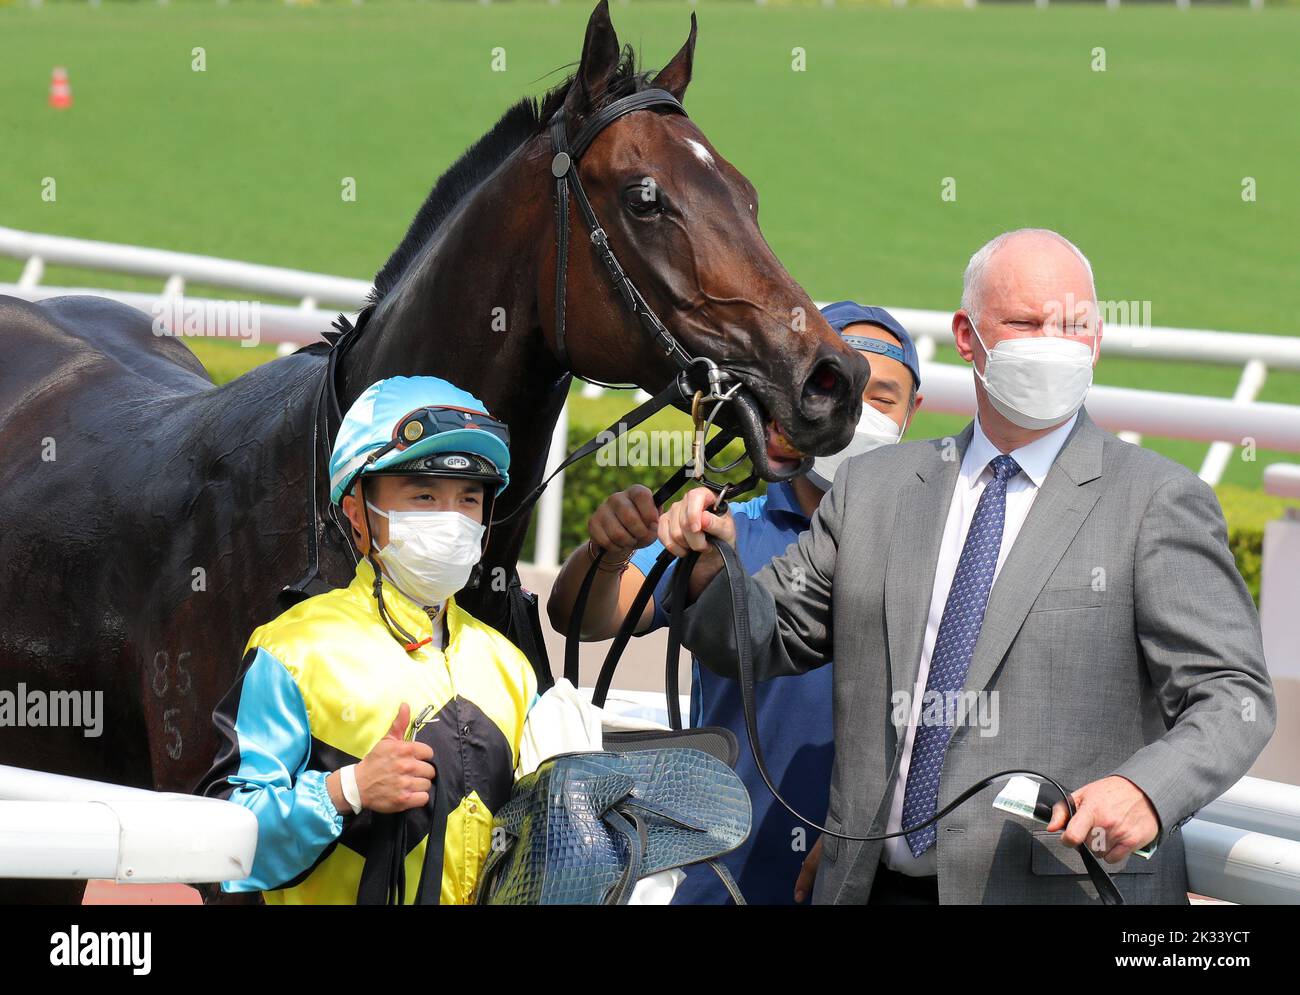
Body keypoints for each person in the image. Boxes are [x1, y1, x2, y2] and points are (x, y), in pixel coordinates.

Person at [659, 228, 1276, 904]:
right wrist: (708, 564)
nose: (1052, 342)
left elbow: (1232, 694)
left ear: (1096, 338)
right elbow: (761, 635)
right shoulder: (875, 490)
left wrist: (1147, 790)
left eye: (1072, 325)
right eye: (1024, 322)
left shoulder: (1158, 500)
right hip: (870, 887)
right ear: (966, 334)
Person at [546, 302, 923, 904]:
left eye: (881, 398)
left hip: (859, 877)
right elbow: (584, 618)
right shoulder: (725, 516)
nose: (858, 413)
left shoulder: (935, 540)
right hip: (720, 874)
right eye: (836, 387)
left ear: (913, 413)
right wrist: (608, 550)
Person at [196, 376, 537, 904]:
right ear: (357, 513)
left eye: (469, 499)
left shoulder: (511, 666)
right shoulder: (293, 650)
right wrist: (346, 791)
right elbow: (224, 844)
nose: (452, 520)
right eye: (424, 495)